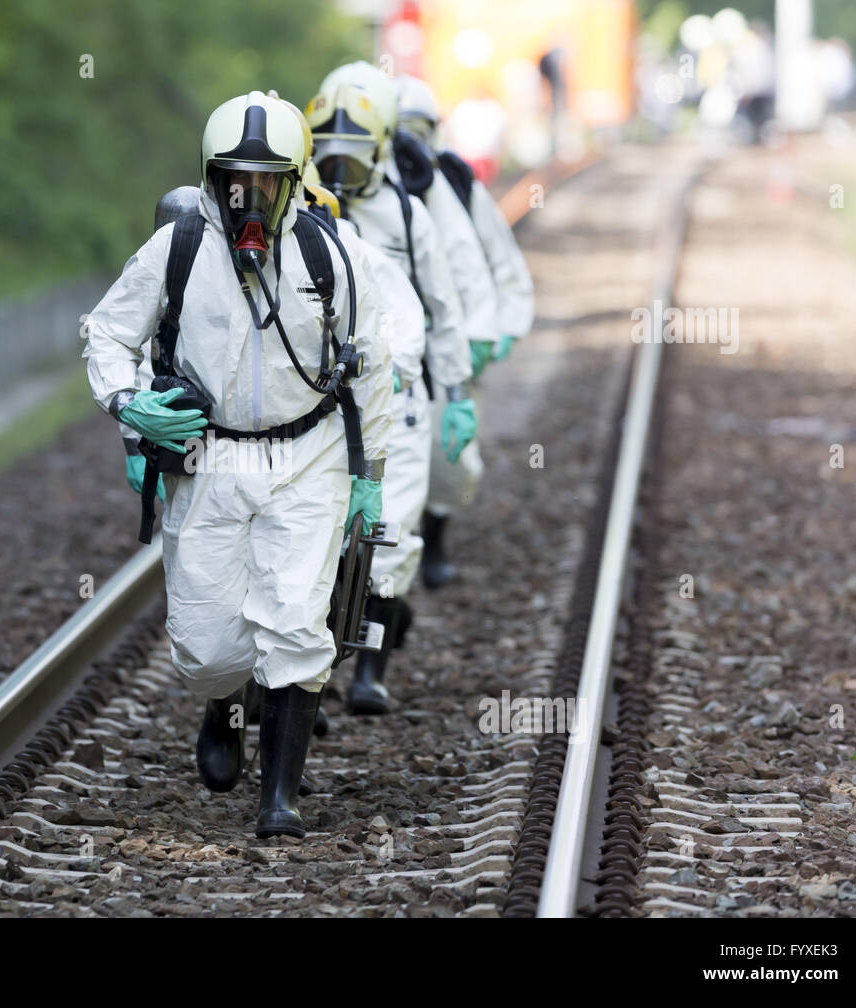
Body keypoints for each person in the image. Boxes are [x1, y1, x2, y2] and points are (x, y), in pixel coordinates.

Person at [82, 92, 394, 838]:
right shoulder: (178, 248)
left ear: (294, 181)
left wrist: (368, 476)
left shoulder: (333, 255)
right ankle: (227, 701)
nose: (249, 197)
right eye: (234, 180)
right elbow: (106, 332)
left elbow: (373, 366)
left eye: (267, 180)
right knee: (206, 650)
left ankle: (278, 797)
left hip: (307, 454)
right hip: (208, 457)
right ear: (211, 178)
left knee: (294, 625)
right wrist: (127, 404)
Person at [306, 64, 476, 714]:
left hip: (398, 403)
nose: (341, 164)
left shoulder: (407, 215)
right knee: (314, 542)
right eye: (328, 149)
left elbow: (442, 305)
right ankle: (304, 681)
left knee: (388, 536)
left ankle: (370, 669)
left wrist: (456, 392)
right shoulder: (301, 211)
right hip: (319, 404)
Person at [395, 74, 535, 588]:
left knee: (449, 457)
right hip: (379, 348)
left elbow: (496, 259)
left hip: (444, 343)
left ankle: (434, 540)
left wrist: (493, 331)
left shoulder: (453, 183)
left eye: (416, 129)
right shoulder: (357, 191)